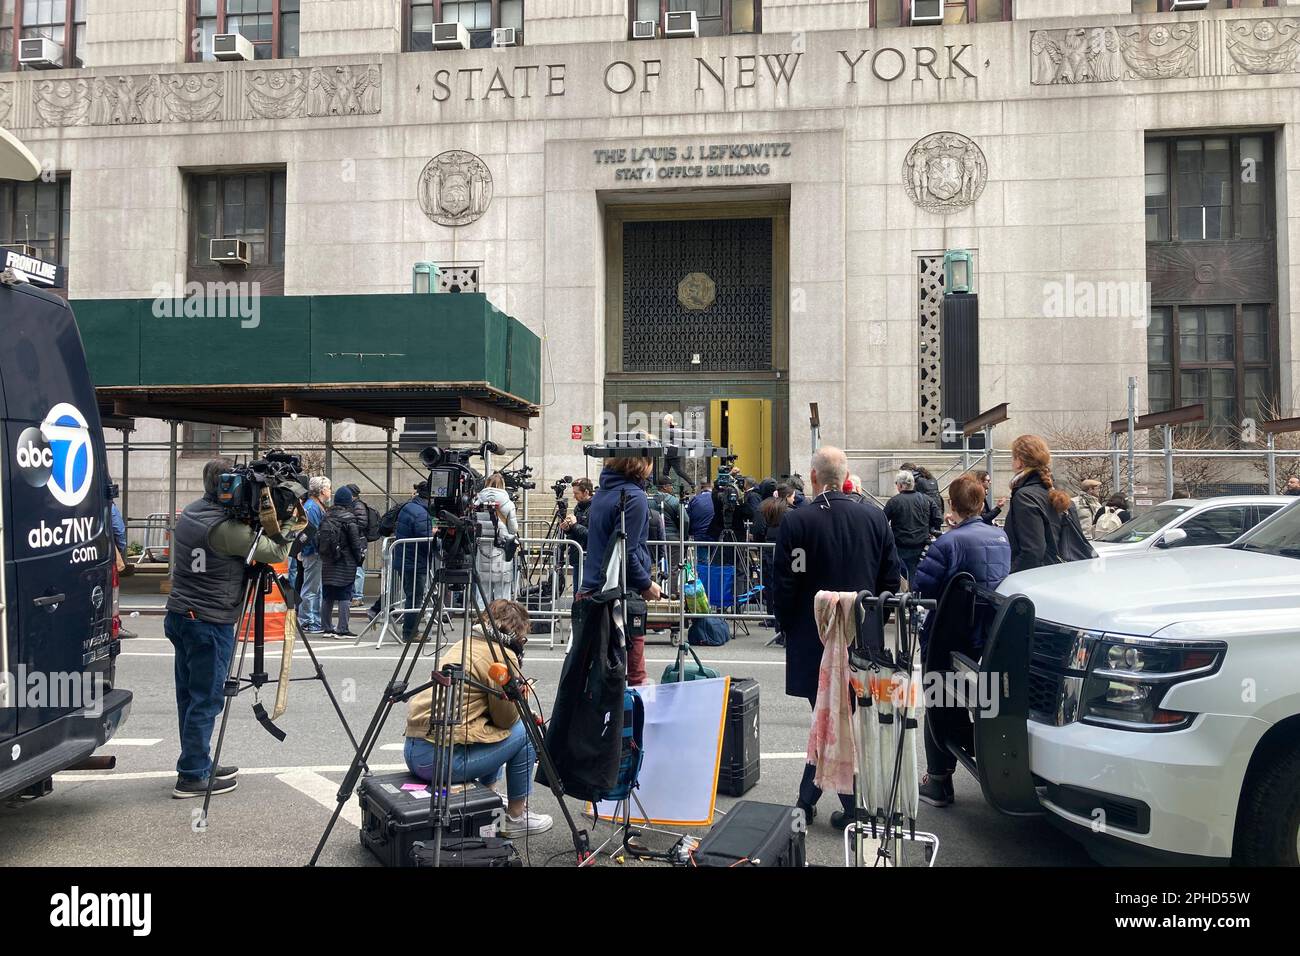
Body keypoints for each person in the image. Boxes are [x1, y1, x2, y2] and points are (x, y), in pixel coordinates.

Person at [773, 445, 901, 829]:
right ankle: (821, 800)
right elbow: (890, 580)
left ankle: (841, 804)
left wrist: (788, 624)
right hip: (864, 637)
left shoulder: (799, 522)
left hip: (815, 637)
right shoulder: (875, 518)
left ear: (813, 477)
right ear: (846, 477)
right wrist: (875, 620)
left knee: (828, 717)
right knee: (841, 720)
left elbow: (786, 582)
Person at [164, 458, 297, 798]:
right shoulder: (226, 530)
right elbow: (273, 551)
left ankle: (197, 762)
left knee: (190, 696)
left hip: (182, 614)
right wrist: (289, 523)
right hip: (208, 620)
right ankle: (192, 774)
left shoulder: (194, 511)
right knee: (207, 699)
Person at [402, 599, 551, 837]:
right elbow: (505, 720)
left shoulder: (464, 643)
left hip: (413, 752)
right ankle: (515, 817)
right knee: (526, 730)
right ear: (517, 632)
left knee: (487, 727)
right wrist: (521, 696)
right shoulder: (501, 656)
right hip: (441, 762)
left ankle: (486, 796)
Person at [912, 473, 1011, 808]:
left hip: (948, 636)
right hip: (989, 636)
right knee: (981, 703)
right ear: (982, 503)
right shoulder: (1001, 539)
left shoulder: (948, 543)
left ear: (952, 505)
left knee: (938, 700)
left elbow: (922, 588)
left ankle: (938, 780)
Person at [576, 449, 661, 686]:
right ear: (643, 462)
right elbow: (628, 552)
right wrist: (647, 584)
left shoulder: (604, 491)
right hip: (620, 593)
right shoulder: (634, 497)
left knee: (597, 676)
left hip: (594, 588)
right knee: (634, 678)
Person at [1004, 434, 1071, 574]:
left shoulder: (1025, 497)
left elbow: (1033, 552)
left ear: (1019, 461)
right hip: (1059, 574)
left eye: (1013, 457)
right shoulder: (1055, 493)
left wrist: (1009, 575)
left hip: (1036, 578)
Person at [319, 485, 366, 636]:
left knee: (328, 595)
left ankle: (326, 627)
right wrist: (359, 558)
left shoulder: (326, 516)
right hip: (345, 562)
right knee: (345, 595)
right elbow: (355, 542)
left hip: (328, 561)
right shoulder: (349, 519)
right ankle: (342, 628)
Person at [883, 469, 941, 583]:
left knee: (899, 576)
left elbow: (883, 521)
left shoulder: (894, 501)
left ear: (900, 485)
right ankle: (914, 597)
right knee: (915, 575)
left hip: (900, 545)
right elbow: (938, 518)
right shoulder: (926, 499)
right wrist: (931, 529)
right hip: (921, 545)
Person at [394, 480, 435, 643]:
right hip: (414, 561)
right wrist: (435, 534)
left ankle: (411, 630)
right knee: (415, 597)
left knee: (413, 596)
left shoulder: (411, 507)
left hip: (407, 559)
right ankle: (410, 632)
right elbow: (426, 538)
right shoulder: (421, 513)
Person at [474, 473, 519, 606]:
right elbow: (513, 528)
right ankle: (501, 620)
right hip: (502, 548)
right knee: (502, 590)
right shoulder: (508, 503)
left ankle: (482, 620)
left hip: (482, 547)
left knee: (483, 589)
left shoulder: (477, 501)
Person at [297, 476, 329, 635]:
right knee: (311, 588)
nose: (330, 491)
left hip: (315, 552)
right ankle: (308, 621)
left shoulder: (315, 505)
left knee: (315, 588)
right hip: (313, 552)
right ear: (322, 490)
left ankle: (313, 619)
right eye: (329, 488)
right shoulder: (313, 507)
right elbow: (312, 532)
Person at [659, 413, 696, 491]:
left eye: (666, 420)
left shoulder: (672, 428)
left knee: (678, 471)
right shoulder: (673, 428)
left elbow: (671, 439)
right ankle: (665, 489)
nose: (664, 422)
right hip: (668, 452)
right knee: (665, 472)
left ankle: (692, 484)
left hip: (672, 453)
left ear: (669, 420)